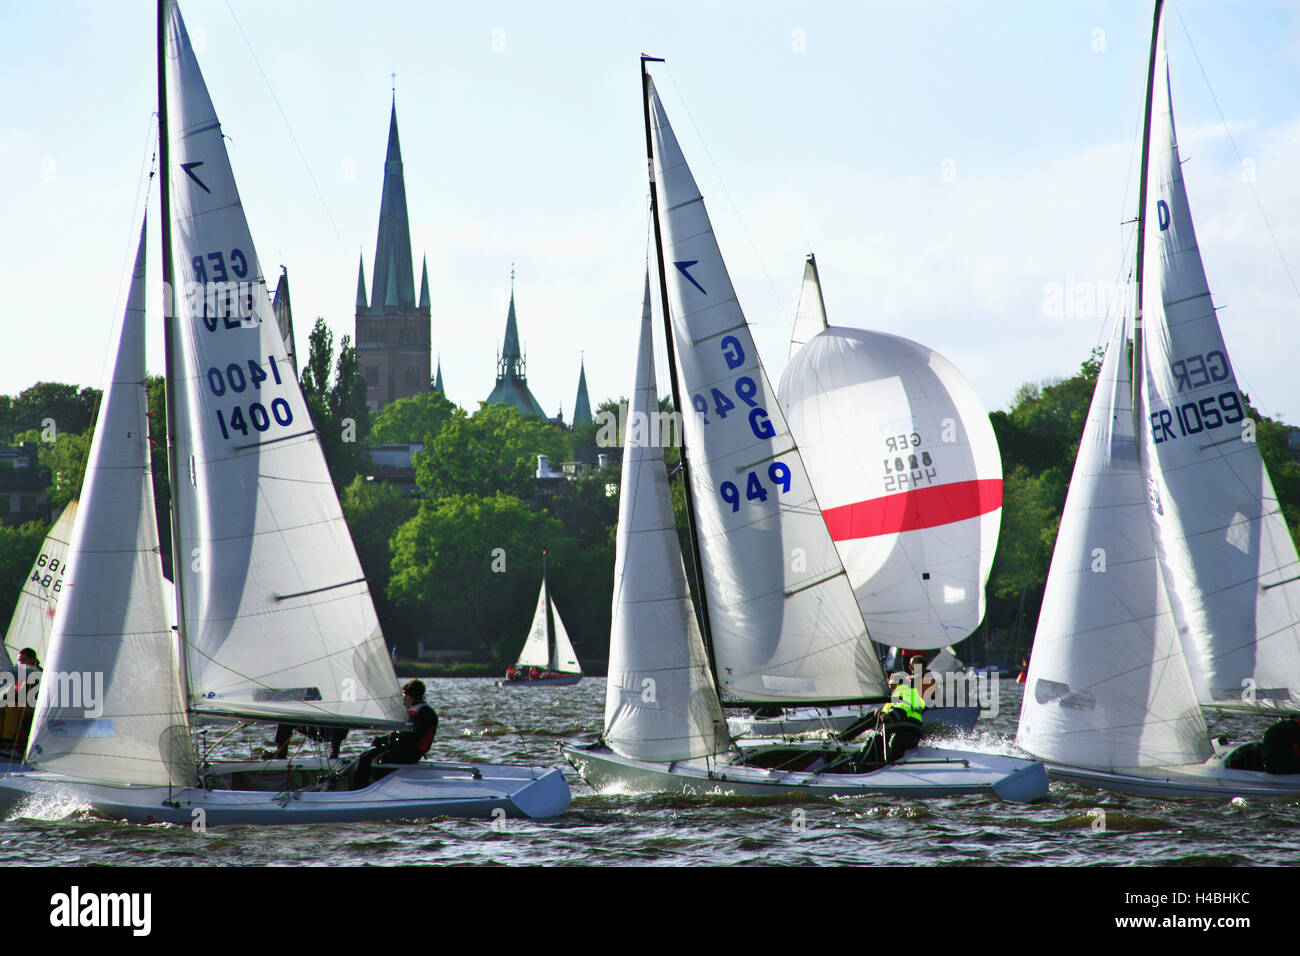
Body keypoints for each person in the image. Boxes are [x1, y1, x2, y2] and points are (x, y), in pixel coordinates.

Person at [351, 680, 438, 790]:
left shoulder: (426, 713)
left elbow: (415, 735)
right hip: (398, 748)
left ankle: (381, 791)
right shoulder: (411, 711)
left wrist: (394, 739)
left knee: (382, 763)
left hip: (412, 753)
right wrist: (384, 740)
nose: (403, 701)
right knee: (365, 757)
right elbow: (401, 734)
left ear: (409, 697)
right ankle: (357, 789)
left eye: (404, 697)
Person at [271, 723, 347, 760]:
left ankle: (334, 753)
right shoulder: (311, 693)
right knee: (285, 720)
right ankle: (280, 753)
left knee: (342, 721)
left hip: (331, 728)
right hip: (312, 725)